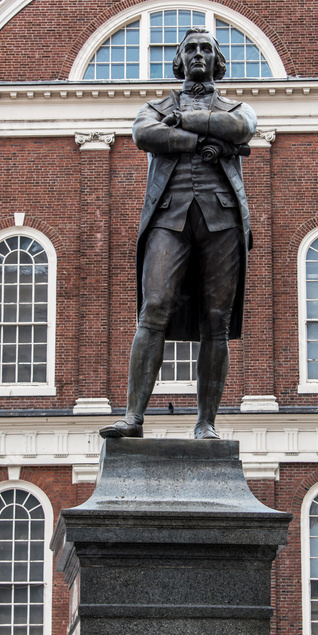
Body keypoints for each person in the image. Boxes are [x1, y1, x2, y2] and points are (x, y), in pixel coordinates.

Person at [100, 27, 257, 440]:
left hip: (221, 220)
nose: (199, 54)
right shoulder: (155, 106)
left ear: (218, 60)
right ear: (179, 60)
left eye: (207, 48)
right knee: (154, 308)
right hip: (169, 218)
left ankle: (206, 423)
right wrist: (203, 138)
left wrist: (187, 122)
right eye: (191, 48)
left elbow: (242, 129)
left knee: (216, 321)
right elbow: (144, 134)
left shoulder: (236, 106)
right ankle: (133, 417)